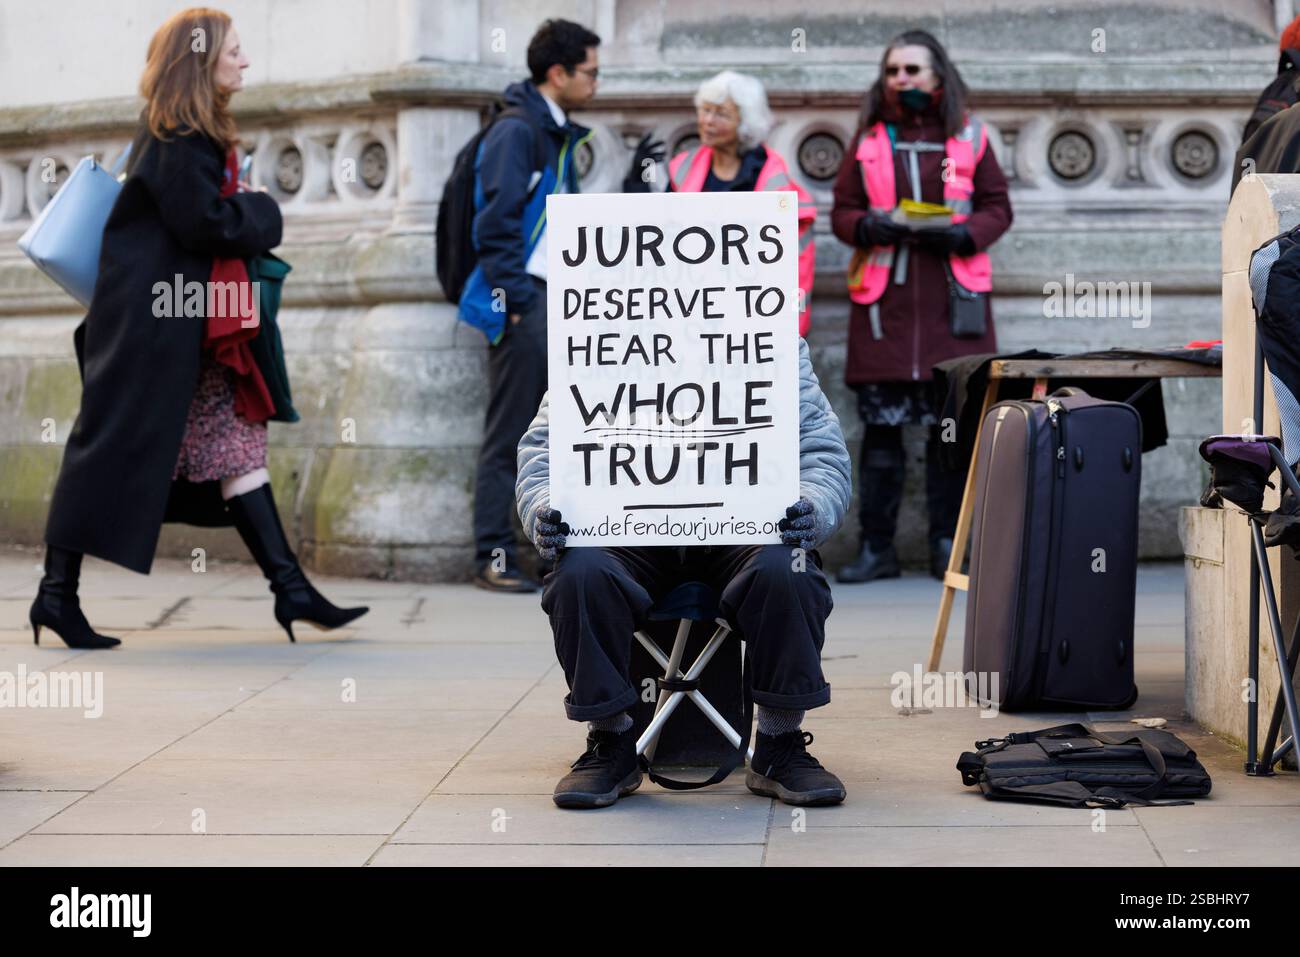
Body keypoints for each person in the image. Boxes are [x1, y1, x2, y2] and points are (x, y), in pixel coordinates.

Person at [31, 7, 367, 649]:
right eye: (234, 51)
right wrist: (263, 211)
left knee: (235, 444)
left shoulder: (185, 131)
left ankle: (290, 588)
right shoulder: (179, 134)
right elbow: (199, 222)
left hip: (180, 321)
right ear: (200, 60)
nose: (245, 61)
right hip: (147, 324)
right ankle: (54, 597)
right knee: (101, 452)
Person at [516, 338, 853, 809]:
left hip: (742, 529)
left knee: (788, 568)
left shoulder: (769, 337)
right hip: (625, 532)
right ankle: (611, 743)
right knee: (580, 572)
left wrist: (812, 509)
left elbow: (822, 451)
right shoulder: (595, 335)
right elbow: (544, 451)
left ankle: (779, 744)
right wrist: (544, 512)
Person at [830, 29, 1012, 584]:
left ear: (938, 76)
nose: (901, 80)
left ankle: (947, 549)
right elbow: (841, 212)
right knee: (881, 439)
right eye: (893, 71)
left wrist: (961, 235)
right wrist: (868, 226)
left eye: (912, 70)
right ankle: (876, 548)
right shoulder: (867, 141)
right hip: (887, 314)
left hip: (951, 314)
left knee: (949, 439)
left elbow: (996, 207)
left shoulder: (970, 137)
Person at [465, 18, 601, 594]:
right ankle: (493, 555)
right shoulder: (518, 132)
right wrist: (518, 303)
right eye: (590, 72)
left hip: (551, 300)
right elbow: (494, 225)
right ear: (558, 72)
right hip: (526, 303)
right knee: (512, 432)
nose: (597, 82)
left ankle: (550, 553)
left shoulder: (553, 131)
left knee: (558, 431)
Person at [660, 70, 817, 335]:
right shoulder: (682, 170)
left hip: (753, 323)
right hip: (693, 320)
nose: (707, 121)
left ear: (745, 123)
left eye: (720, 114)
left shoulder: (772, 181)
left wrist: (788, 332)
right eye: (705, 110)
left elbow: (796, 265)